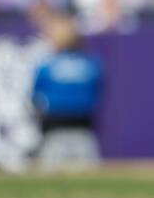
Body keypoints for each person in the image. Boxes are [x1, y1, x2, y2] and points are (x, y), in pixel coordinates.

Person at [31, 13, 104, 170]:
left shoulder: (48, 66)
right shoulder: (91, 64)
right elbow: (98, 93)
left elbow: (35, 98)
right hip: (83, 129)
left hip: (55, 131)